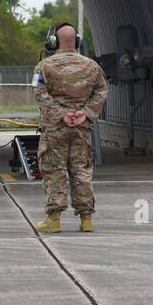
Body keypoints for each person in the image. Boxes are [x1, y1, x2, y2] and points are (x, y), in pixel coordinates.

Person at [33, 23, 108, 234]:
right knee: (81, 171)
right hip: (81, 128)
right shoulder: (92, 66)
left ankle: (54, 220)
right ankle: (86, 220)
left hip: (55, 129)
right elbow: (102, 90)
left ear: (54, 42)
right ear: (77, 41)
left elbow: (38, 92)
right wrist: (85, 113)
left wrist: (61, 114)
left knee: (54, 170)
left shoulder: (43, 67)